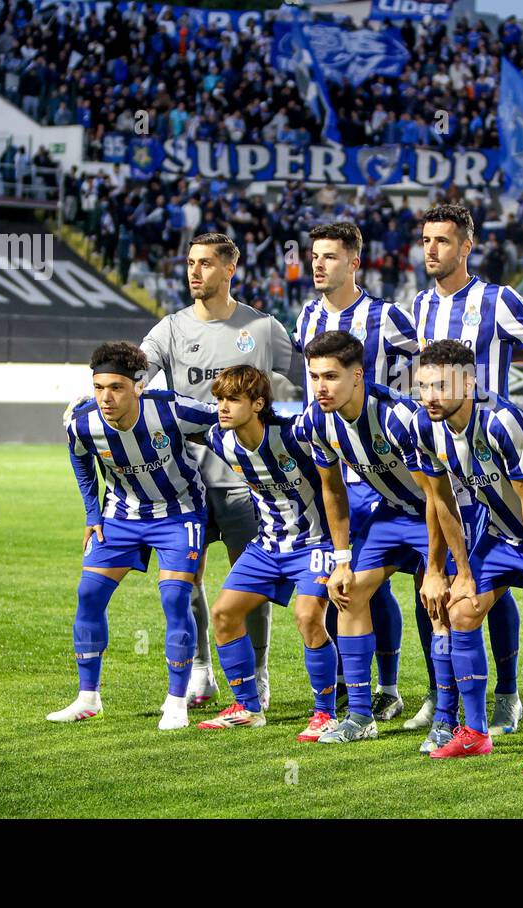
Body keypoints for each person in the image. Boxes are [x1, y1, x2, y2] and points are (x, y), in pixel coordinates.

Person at [136, 232, 307, 711]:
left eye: (206, 264)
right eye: (190, 262)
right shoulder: (170, 329)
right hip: (183, 484)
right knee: (184, 579)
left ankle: (257, 672)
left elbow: (310, 382)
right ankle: (201, 671)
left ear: (230, 269)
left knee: (247, 582)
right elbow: (137, 377)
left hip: (244, 484)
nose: (194, 272)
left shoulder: (264, 328)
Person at [408, 203, 523, 733]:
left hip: (497, 456)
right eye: (426, 240)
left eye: (442, 241)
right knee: (442, 582)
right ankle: (441, 696)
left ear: (466, 247)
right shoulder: (419, 306)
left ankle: (508, 693)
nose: (432, 250)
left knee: (503, 582)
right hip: (449, 456)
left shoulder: (497, 300)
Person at [301, 330, 469, 750]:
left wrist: (432, 568)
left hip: (441, 513)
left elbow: (437, 495)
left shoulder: (398, 418)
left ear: (357, 376)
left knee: (439, 605)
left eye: (331, 376)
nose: (321, 387)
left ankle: (447, 717)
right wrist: (342, 558)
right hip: (392, 514)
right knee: (350, 592)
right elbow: (333, 491)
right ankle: (360, 715)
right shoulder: (316, 420)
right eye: (315, 376)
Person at [50, 341, 219, 731]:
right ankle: (88, 698)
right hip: (121, 516)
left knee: (176, 598)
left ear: (138, 386)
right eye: (99, 388)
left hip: (179, 513)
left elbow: (223, 418)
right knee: (88, 594)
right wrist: (92, 513)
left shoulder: (171, 408)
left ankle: (177, 701)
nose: (106, 398)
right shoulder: (83, 423)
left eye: (116, 387)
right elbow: (78, 457)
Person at [292, 222, 419, 722]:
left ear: (353, 263)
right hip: (336, 467)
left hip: (394, 469)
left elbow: (421, 368)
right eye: (313, 256)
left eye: (328, 256)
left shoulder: (387, 317)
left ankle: (407, 691)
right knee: (354, 585)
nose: (318, 264)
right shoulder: (305, 317)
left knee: (422, 588)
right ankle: (357, 693)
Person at [412, 340, 523, 758]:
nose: (429, 397)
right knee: (460, 609)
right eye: (423, 386)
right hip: (497, 535)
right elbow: (442, 502)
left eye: (440, 386)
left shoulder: (501, 421)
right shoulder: (426, 427)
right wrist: (463, 572)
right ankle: (474, 733)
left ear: (469, 383)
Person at [194, 366, 338, 741]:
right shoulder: (219, 438)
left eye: (233, 400)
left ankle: (325, 714)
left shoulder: (294, 436)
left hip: (315, 544)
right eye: (220, 399)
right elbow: (178, 414)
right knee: (224, 614)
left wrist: (343, 550)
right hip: (268, 547)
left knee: (308, 618)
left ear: (258, 404)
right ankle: (247, 706)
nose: (222, 408)